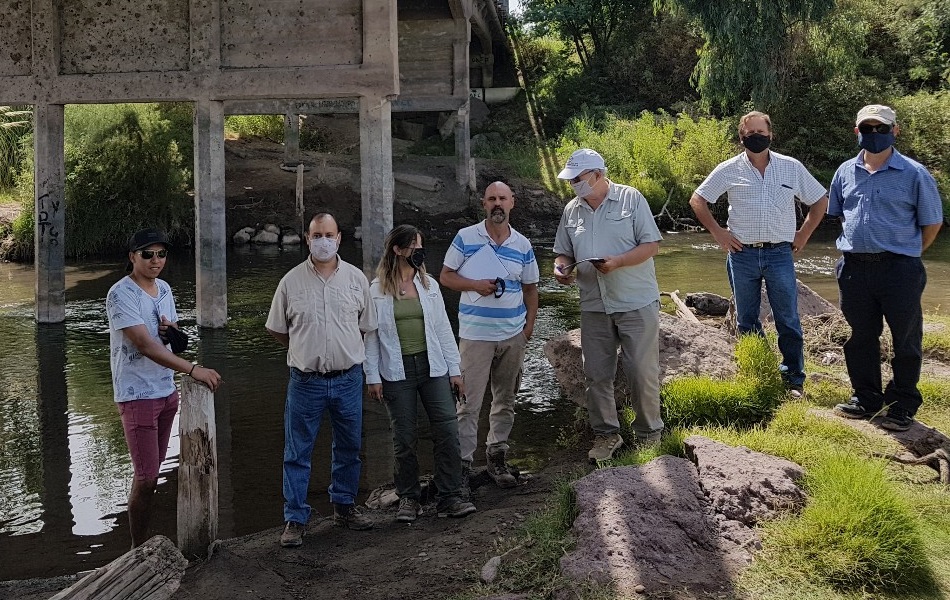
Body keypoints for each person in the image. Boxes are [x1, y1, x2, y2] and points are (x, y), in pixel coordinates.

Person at [689, 110, 829, 397]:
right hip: (742, 255)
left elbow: (820, 201)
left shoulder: (791, 167)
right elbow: (698, 199)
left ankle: (793, 379)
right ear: (742, 138)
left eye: (761, 133)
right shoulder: (729, 169)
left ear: (770, 134)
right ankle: (759, 369)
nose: (756, 138)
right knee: (747, 319)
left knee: (787, 317)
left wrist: (803, 234)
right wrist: (718, 233)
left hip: (779, 253)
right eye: (750, 134)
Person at [265, 213, 378, 548]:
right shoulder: (290, 282)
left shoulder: (357, 280)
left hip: (347, 379)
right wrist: (305, 348)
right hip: (305, 381)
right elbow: (276, 329)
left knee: (349, 447)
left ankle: (344, 506)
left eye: (329, 234)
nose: (324, 241)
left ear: (339, 238)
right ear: (307, 238)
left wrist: (341, 350)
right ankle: (295, 519)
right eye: (317, 235)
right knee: (297, 451)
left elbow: (365, 325)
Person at [106, 228, 222, 548]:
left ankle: (143, 543)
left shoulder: (165, 289)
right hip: (137, 395)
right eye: (147, 254)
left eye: (161, 254)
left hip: (166, 392)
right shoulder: (121, 294)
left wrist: (176, 336)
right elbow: (143, 344)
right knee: (146, 478)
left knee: (153, 474)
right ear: (132, 257)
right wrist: (194, 369)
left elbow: (166, 336)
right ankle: (137, 548)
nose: (156, 260)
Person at [830, 104, 943, 431]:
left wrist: (908, 253)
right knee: (860, 336)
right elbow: (840, 213)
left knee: (906, 339)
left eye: (881, 128)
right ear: (857, 132)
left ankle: (902, 404)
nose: (874, 134)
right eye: (867, 128)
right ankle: (866, 398)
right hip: (853, 269)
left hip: (900, 270)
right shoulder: (844, 172)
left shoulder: (915, 174)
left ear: (895, 131)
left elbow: (932, 223)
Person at [553, 149, 664, 461]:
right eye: (570, 179)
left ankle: (649, 435)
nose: (573, 184)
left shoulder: (631, 199)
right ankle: (606, 436)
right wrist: (560, 268)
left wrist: (618, 262)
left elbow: (651, 246)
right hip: (593, 304)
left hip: (635, 300)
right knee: (597, 374)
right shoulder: (571, 210)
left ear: (597, 175)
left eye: (577, 178)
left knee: (641, 370)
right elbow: (563, 252)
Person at [364, 224, 476, 521]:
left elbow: (442, 329)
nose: (419, 252)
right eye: (414, 247)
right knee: (404, 438)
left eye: (420, 247)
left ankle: (449, 496)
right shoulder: (376, 291)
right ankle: (408, 498)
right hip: (396, 372)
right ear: (398, 250)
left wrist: (455, 371)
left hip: (433, 367)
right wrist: (372, 376)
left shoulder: (429, 285)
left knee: (447, 430)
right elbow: (371, 336)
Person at [440, 181, 540, 489]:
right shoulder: (466, 237)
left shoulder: (523, 244)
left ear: (513, 203)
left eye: (503, 199)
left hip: (513, 336)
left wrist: (529, 328)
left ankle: (497, 459)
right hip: (475, 337)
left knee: (505, 400)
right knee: (468, 404)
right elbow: (445, 276)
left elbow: (530, 288)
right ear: (484, 204)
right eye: (492, 199)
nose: (497, 203)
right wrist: (474, 285)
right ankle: (463, 468)